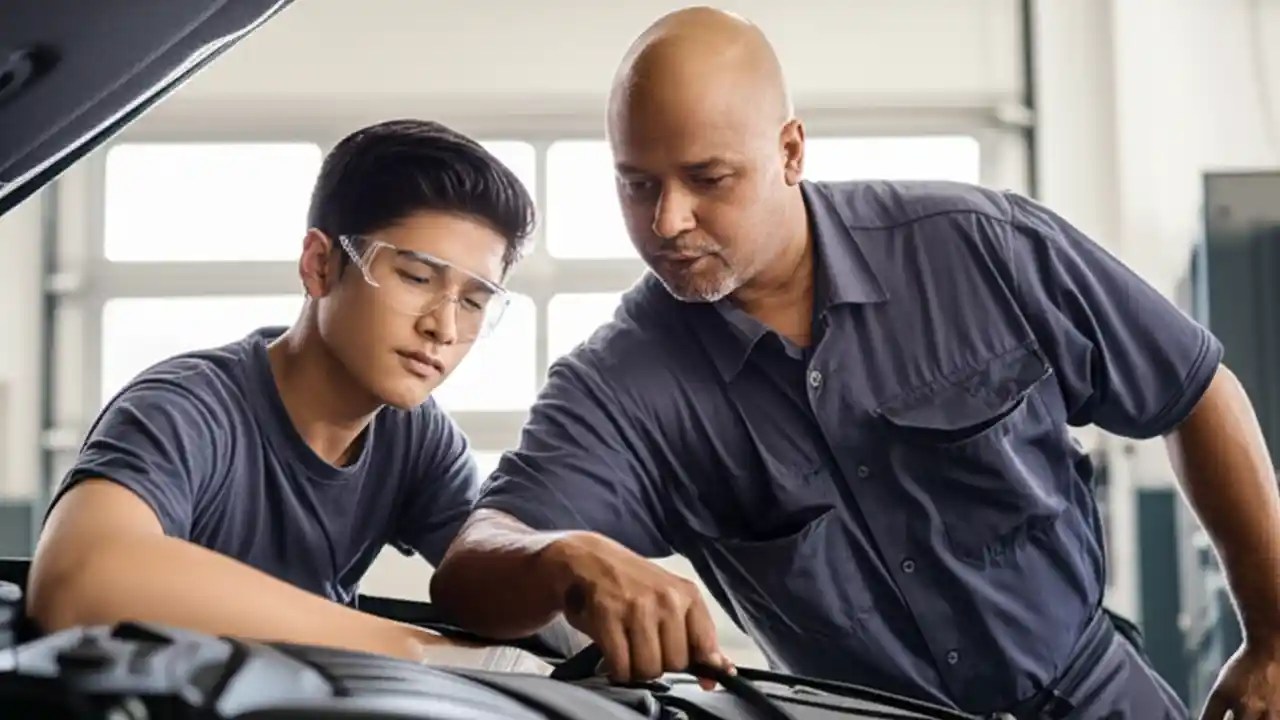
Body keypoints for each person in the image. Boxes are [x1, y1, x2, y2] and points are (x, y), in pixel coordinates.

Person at [431, 7, 1280, 718]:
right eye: (636, 184)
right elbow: (473, 563)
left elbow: (1192, 390)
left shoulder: (981, 247)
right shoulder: (621, 386)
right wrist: (562, 556)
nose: (668, 221)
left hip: (1099, 697)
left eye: (708, 178)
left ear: (792, 152)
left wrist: (1271, 633)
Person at [27, 119, 536, 663]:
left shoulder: (415, 436)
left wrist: (574, 574)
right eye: (416, 277)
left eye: (474, 301)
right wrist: (418, 650)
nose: (445, 327)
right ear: (319, 265)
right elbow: (79, 580)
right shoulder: (187, 407)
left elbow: (494, 572)